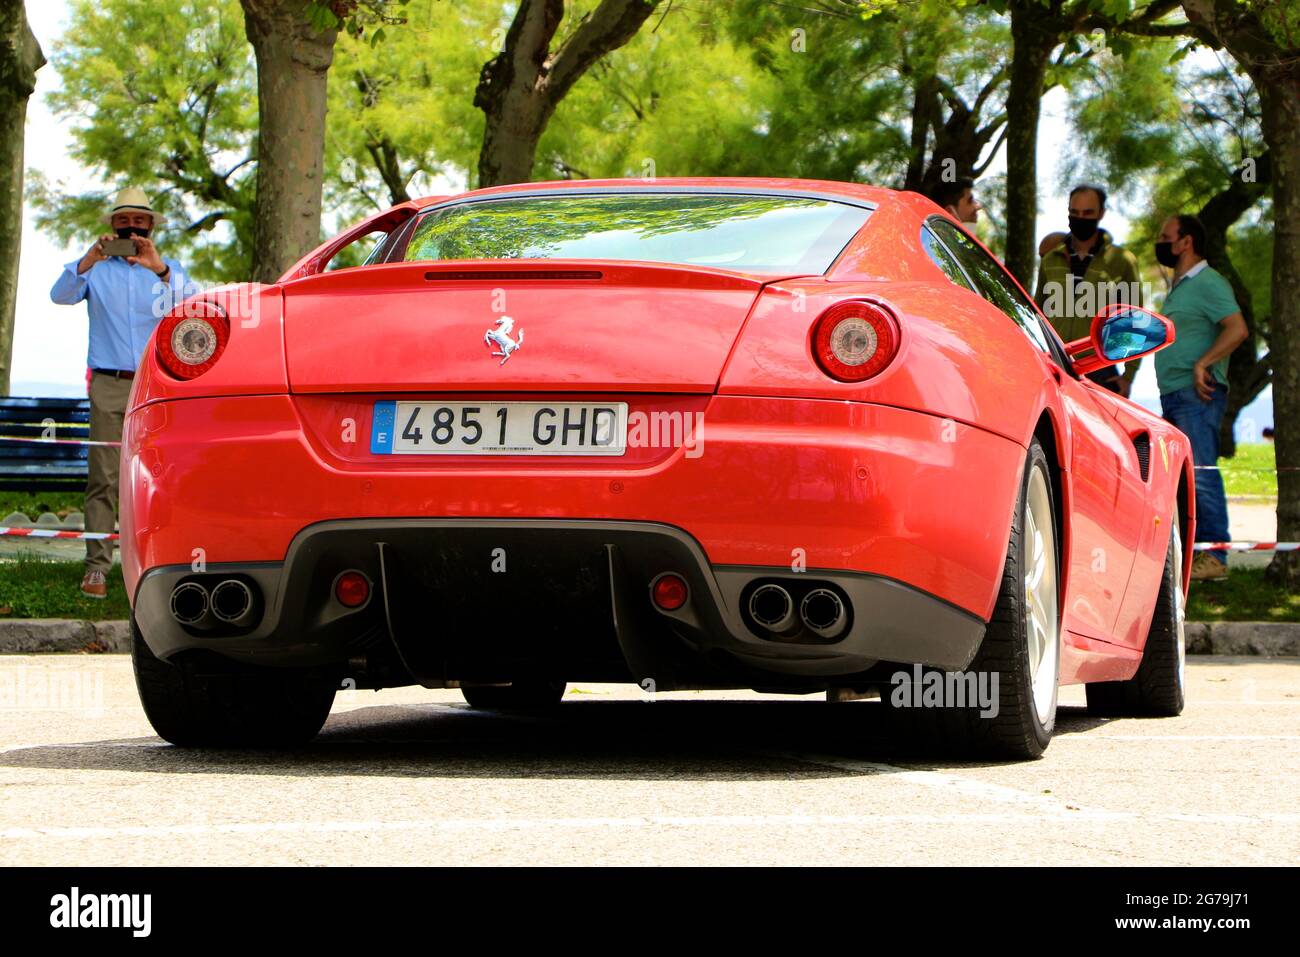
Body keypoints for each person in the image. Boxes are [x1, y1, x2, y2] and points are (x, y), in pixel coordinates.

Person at [50, 188, 188, 599]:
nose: (132, 227)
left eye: (139, 222)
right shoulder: (94, 270)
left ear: (149, 227)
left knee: (156, 477)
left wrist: (159, 268)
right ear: (113, 225)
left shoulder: (168, 270)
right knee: (104, 477)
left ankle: (154, 567)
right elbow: (59, 295)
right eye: (124, 221)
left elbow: (193, 304)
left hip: (154, 383)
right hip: (109, 384)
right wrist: (87, 260)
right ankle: (96, 568)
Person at [1152, 214, 1248, 581]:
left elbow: (1237, 328)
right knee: (1185, 479)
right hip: (1174, 395)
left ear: (1185, 242)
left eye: (1166, 237)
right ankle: (1193, 556)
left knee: (1203, 473)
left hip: (1196, 395)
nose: (1161, 243)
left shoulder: (1209, 282)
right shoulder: (1181, 287)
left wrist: (1204, 363)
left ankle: (1216, 558)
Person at [1033, 184, 1142, 396]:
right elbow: (1038, 314)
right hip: (1054, 365)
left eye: (1088, 213)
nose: (1080, 218)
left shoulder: (1122, 261)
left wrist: (1128, 376)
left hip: (1101, 370)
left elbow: (1135, 320)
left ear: (1101, 213)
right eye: (1074, 213)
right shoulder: (1050, 259)